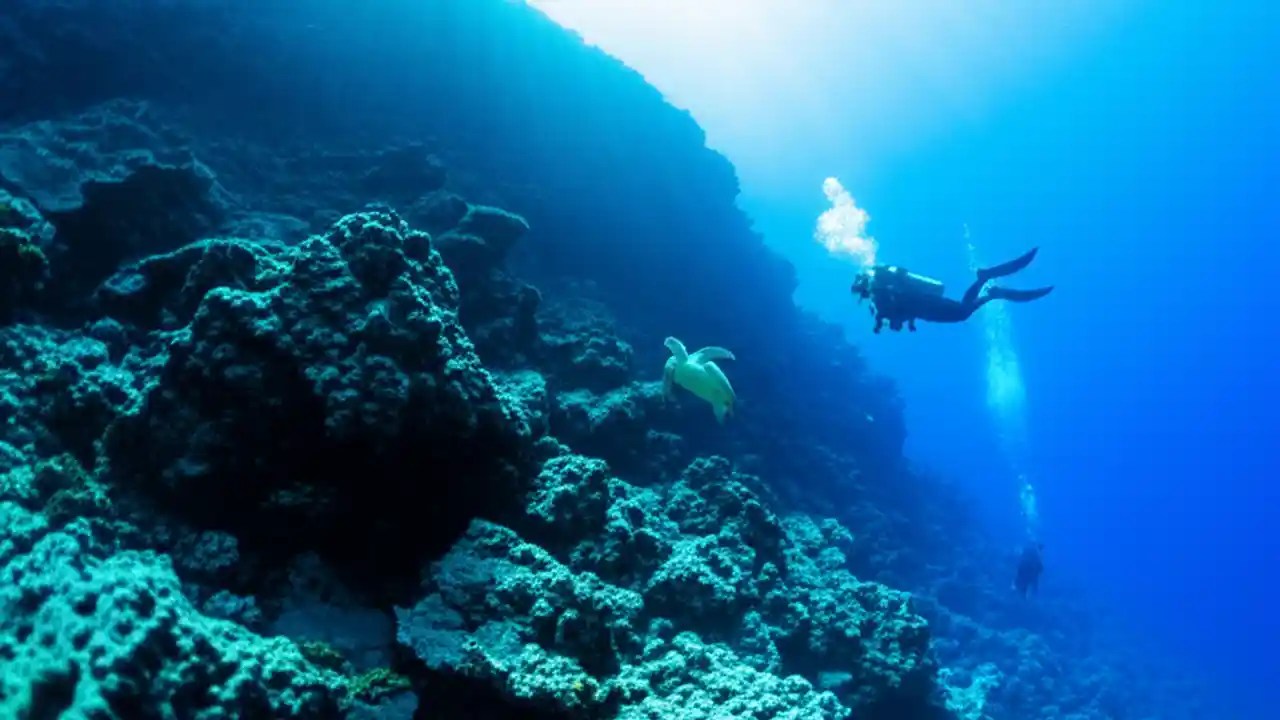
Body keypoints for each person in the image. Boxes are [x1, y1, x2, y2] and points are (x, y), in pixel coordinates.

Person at [851, 247, 1054, 333]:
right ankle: (985, 281)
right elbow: (902, 307)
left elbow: (896, 313)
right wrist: (908, 322)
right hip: (926, 303)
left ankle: (991, 292)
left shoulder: (879, 301)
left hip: (926, 306)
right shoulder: (883, 292)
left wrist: (895, 324)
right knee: (960, 309)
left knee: (962, 313)